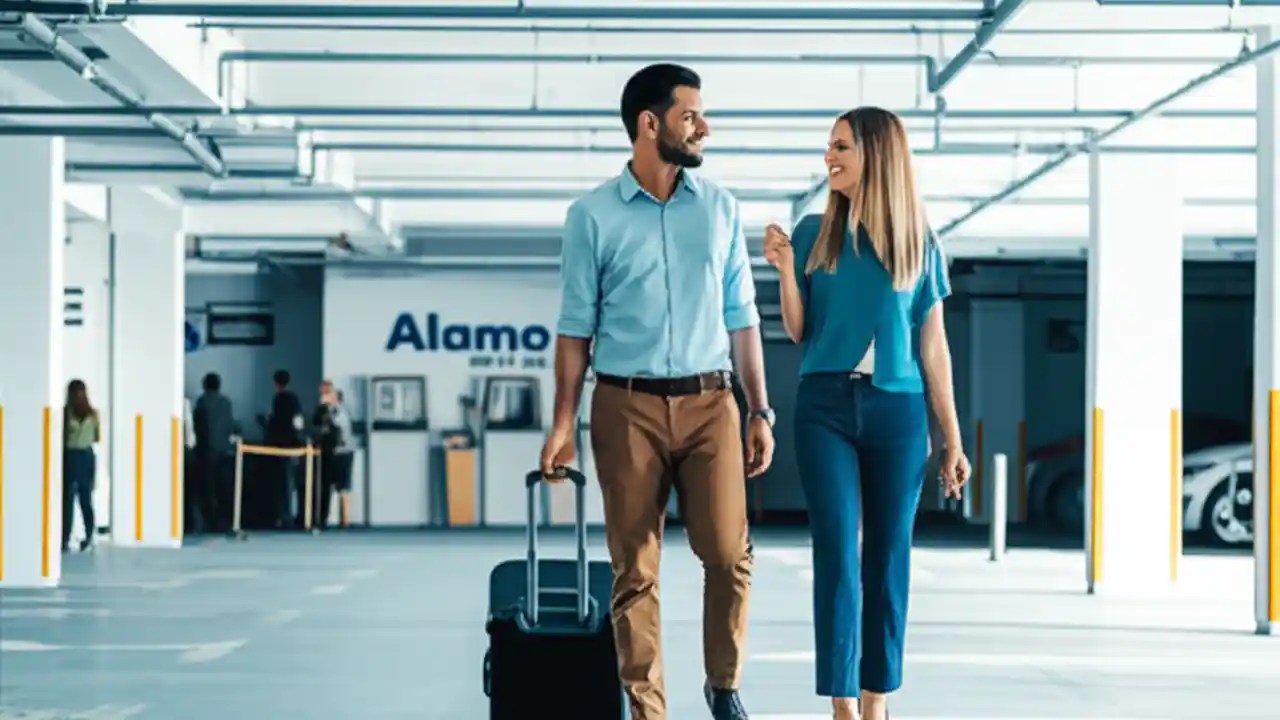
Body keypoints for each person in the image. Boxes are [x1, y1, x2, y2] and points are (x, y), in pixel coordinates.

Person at [539, 63, 775, 720]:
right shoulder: (590, 217)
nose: (705, 126)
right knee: (635, 570)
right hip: (625, 405)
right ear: (650, 124)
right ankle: (649, 711)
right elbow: (574, 327)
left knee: (728, 552)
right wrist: (561, 425)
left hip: (710, 404)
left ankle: (722, 684)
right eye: (691, 114)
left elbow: (743, 318)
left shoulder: (721, 209)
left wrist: (759, 410)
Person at [762, 107, 970, 720]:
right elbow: (799, 330)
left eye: (841, 146)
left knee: (888, 557)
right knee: (836, 549)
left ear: (876, 154)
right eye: (828, 145)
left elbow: (934, 347)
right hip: (825, 405)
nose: (829, 156)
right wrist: (782, 273)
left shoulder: (920, 242)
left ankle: (877, 700)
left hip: (899, 412)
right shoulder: (812, 232)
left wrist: (952, 439)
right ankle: (843, 703)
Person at [194, 372, 237, 532]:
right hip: (225, 451)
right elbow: (231, 425)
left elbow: (197, 427)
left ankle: (208, 521)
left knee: (207, 488)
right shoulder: (226, 402)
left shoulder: (201, 402)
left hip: (206, 452)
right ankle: (223, 521)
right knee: (223, 488)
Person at [62, 379, 99, 553]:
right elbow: (97, 437)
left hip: (73, 455)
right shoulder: (92, 414)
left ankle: (66, 537)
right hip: (86, 455)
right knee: (83, 498)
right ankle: (88, 535)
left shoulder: (66, 414)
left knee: (72, 499)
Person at [264, 369, 305, 529]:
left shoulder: (278, 399)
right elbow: (298, 421)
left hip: (280, 445)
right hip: (293, 444)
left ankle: (284, 516)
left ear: (276, 383)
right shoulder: (294, 399)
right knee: (292, 482)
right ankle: (293, 515)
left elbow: (274, 422)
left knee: (282, 483)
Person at [312, 380, 353, 529]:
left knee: (343, 486)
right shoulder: (323, 410)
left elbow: (339, 430)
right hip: (329, 453)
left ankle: (345, 520)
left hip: (341, 453)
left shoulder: (339, 412)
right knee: (326, 486)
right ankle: (325, 518)